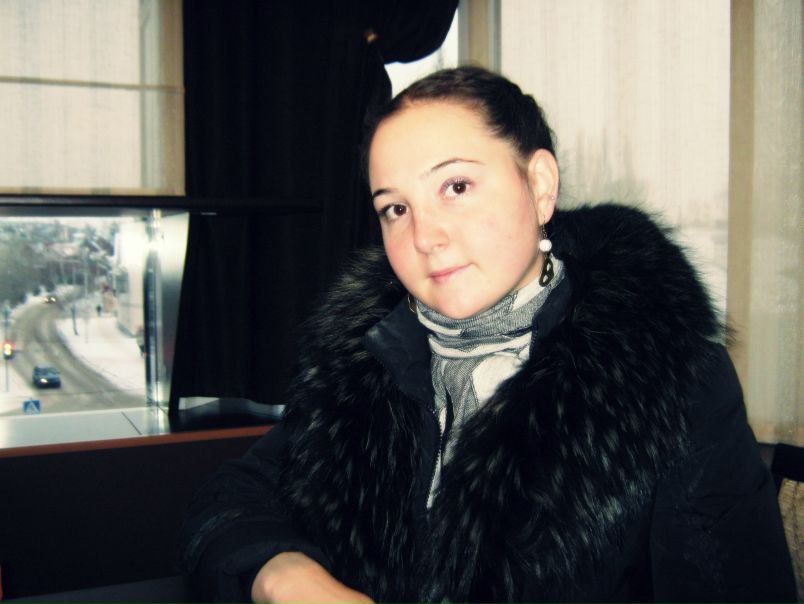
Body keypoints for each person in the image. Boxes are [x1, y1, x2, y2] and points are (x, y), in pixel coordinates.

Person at [178, 66, 796, 603]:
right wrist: (284, 575)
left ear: (540, 185)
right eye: (395, 208)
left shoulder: (669, 378)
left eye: (456, 187)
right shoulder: (364, 361)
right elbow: (234, 495)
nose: (424, 236)